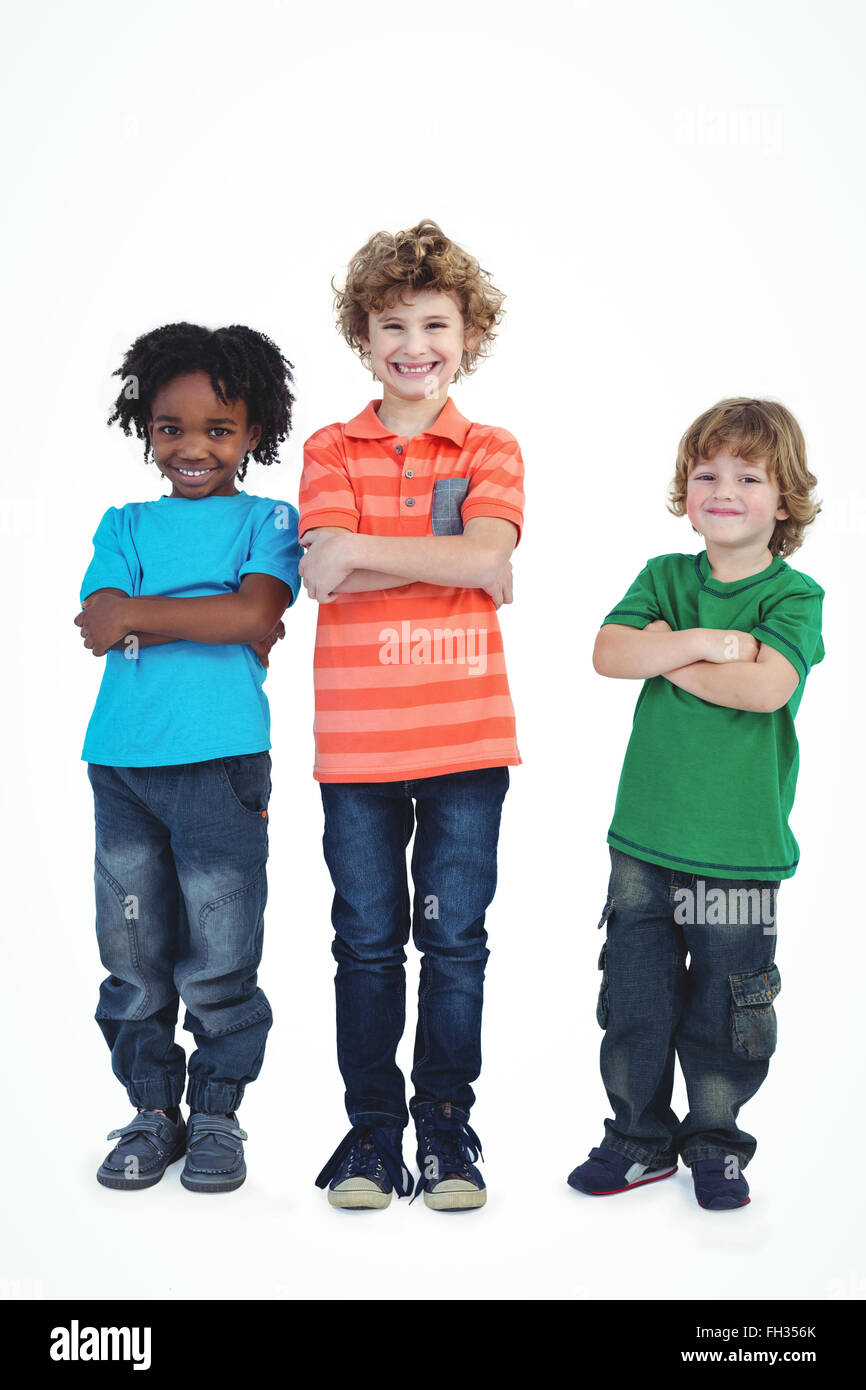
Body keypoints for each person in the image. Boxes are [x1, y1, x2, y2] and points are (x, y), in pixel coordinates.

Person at [298, 220, 524, 1210]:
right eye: (392, 324)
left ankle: (445, 1130)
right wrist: (453, 562)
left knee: (455, 941)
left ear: (467, 336)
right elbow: (320, 570)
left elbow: (487, 557)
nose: (414, 344)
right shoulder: (327, 444)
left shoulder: (490, 445)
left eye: (435, 324)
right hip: (356, 747)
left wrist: (369, 555)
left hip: (466, 741)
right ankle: (368, 1136)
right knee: (364, 940)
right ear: (364, 335)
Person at [568, 398, 824, 1210]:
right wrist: (701, 645)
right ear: (685, 490)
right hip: (643, 839)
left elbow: (765, 687)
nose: (723, 489)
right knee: (635, 999)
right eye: (706, 473)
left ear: (783, 502)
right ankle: (639, 1138)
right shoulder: (665, 577)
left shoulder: (795, 595)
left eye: (749, 477)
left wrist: (663, 653)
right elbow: (611, 653)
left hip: (739, 848)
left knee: (726, 1009)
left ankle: (716, 1144)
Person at [76, 322, 301, 1193]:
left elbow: (253, 618)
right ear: (146, 430)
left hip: (223, 766)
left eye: (218, 430)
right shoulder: (123, 522)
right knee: (132, 955)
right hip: (121, 766)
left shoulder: (268, 518)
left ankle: (216, 1114)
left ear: (252, 435)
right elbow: (100, 624)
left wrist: (143, 614)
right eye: (172, 428)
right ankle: (150, 1112)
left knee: (218, 953)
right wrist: (162, 614)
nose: (193, 447)